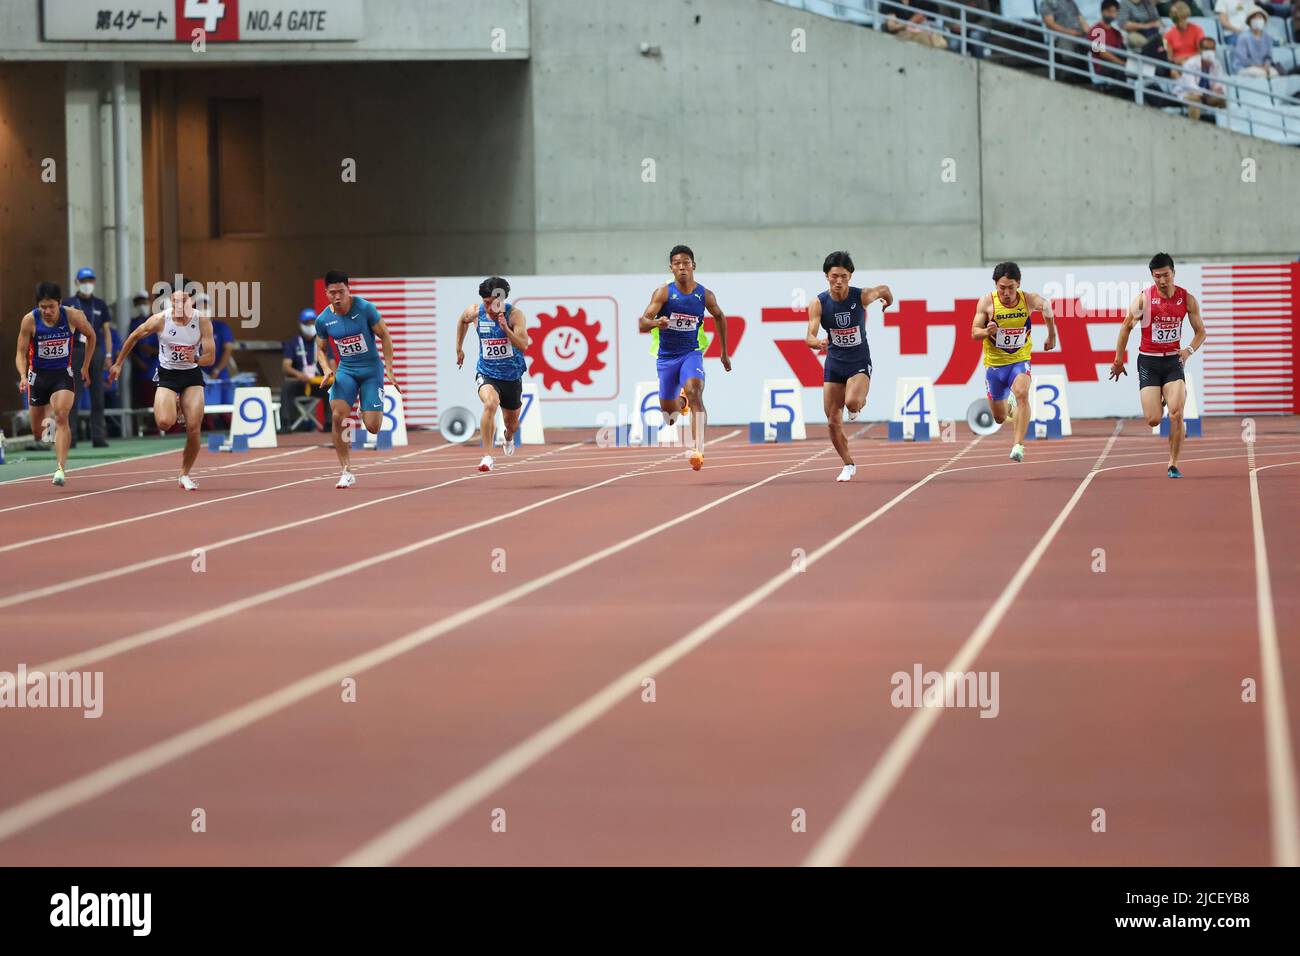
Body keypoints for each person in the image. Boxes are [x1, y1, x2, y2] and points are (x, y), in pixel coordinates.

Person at [109, 278, 216, 490]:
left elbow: (210, 357)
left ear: (191, 302)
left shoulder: (201, 321)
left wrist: (194, 359)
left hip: (191, 376)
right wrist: (118, 364)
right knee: (164, 423)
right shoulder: (160, 320)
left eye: (183, 300)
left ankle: (184, 474)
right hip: (167, 376)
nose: (178, 306)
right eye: (174, 301)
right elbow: (133, 337)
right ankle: (176, 403)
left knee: (194, 428)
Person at [1108, 253, 1207, 478]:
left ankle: (1173, 463)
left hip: (1173, 361)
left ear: (1173, 272)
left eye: (1166, 275)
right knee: (1153, 418)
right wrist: (1118, 360)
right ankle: (1163, 398)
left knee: (1175, 414)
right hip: (1149, 362)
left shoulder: (1187, 299)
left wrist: (1188, 350)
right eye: (1157, 277)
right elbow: (1125, 328)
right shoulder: (1143, 299)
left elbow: (1201, 331)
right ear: (1152, 276)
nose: (1162, 281)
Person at [637, 245, 732, 471]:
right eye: (677, 264)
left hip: (691, 353)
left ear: (693, 266)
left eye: (686, 263)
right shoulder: (663, 293)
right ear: (671, 268)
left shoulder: (705, 294)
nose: (682, 267)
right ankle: (682, 403)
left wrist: (724, 351)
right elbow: (642, 323)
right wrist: (655, 323)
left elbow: (719, 316)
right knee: (669, 417)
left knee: (695, 390)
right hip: (667, 358)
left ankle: (698, 449)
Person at [804, 251, 893, 483]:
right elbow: (809, 337)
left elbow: (884, 289)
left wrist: (888, 301)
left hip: (858, 361)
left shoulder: (860, 296)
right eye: (834, 276)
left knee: (853, 402)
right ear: (827, 276)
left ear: (850, 276)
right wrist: (818, 342)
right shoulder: (819, 303)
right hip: (834, 363)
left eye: (843, 276)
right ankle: (848, 464)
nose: (839, 281)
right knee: (833, 422)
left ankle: (858, 403)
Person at [314, 270, 398, 489]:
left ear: (348, 290)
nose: (337, 297)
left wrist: (389, 369)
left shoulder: (365, 308)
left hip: (371, 371)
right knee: (337, 416)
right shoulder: (323, 320)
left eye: (341, 291)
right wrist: (326, 370)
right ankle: (346, 471)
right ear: (327, 293)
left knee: (373, 427)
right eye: (332, 293)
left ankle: (364, 407)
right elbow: (321, 350)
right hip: (346, 371)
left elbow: (385, 336)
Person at [970, 262, 1058, 463]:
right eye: (1002, 288)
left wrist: (1051, 334)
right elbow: (974, 332)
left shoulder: (1027, 300)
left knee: (1022, 393)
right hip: (994, 366)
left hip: (1019, 361)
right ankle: (1009, 405)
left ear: (1018, 284)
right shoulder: (987, 303)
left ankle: (1018, 446)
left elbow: (1046, 306)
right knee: (999, 418)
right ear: (995, 285)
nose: (1007, 292)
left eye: (1011, 287)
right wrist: (986, 331)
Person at [14, 282, 96, 486]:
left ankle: (60, 468)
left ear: (59, 303)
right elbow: (20, 353)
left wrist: (85, 366)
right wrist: (23, 376)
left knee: (61, 415)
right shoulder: (29, 320)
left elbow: (91, 336)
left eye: (51, 306)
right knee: (39, 432)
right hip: (38, 377)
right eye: (43, 307)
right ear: (38, 306)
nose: (47, 311)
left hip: (62, 374)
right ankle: (50, 431)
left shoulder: (73, 316)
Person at [455, 277, 531, 473]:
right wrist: (459, 348)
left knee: (512, 424)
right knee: (490, 403)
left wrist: (506, 329)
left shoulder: (515, 316)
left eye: (493, 303)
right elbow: (462, 321)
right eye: (485, 302)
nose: (489, 307)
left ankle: (508, 436)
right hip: (487, 372)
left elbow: (523, 345)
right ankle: (487, 456)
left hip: (512, 376)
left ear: (503, 299)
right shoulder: (476, 312)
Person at [61, 266, 112, 448]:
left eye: (90, 281)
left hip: (96, 348)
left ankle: (98, 436)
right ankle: (71, 436)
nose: (87, 285)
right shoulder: (69, 303)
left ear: (94, 282)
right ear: (77, 283)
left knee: (98, 395)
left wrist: (108, 354)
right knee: (74, 393)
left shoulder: (100, 304)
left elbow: (106, 332)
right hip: (75, 349)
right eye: (83, 281)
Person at [281, 307, 330, 432]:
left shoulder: (322, 342)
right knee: (286, 387)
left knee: (332, 388)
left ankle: (330, 423)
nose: (310, 326)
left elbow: (332, 363)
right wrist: (298, 374)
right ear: (300, 325)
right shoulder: (293, 343)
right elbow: (286, 366)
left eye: (312, 323)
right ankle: (286, 424)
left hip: (318, 382)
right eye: (307, 323)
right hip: (300, 382)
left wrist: (330, 374)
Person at [1174, 36, 1228, 120]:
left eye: (1212, 48)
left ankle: (1225, 127)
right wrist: (1208, 93)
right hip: (1187, 93)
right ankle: (1193, 127)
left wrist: (1218, 89)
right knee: (1195, 99)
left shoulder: (1217, 64)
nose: (1209, 51)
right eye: (1206, 48)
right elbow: (1190, 86)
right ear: (1200, 50)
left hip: (1207, 95)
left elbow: (1219, 83)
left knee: (1222, 99)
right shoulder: (1190, 64)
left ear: (1215, 50)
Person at [127, 290, 159, 417]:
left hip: (157, 370)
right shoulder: (134, 323)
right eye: (139, 303)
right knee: (145, 403)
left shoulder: (155, 320)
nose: (142, 305)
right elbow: (141, 346)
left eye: (144, 302)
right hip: (143, 372)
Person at [1090, 1, 1131, 91]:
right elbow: (1102, 53)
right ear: (1102, 11)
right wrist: (1122, 64)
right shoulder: (1097, 29)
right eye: (1109, 11)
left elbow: (1122, 51)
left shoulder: (1116, 32)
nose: (1112, 14)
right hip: (1102, 67)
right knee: (1121, 71)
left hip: (1117, 63)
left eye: (1114, 12)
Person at [1232, 10, 1280, 75]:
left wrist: (1266, 65)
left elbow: (1269, 56)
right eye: (1254, 18)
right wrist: (1259, 66)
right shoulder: (1243, 37)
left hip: (1263, 67)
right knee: (1260, 74)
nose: (1257, 20)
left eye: (1260, 17)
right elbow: (1243, 59)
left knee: (1274, 73)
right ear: (1250, 21)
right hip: (1244, 67)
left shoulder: (1267, 37)